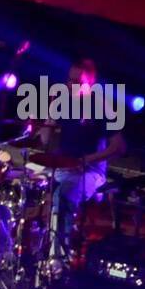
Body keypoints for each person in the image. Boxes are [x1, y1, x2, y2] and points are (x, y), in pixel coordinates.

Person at [38, 58, 127, 256]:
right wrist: (49, 115)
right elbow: (44, 140)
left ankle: (60, 258)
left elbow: (118, 147)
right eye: (69, 80)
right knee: (23, 184)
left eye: (78, 82)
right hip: (62, 167)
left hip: (90, 172)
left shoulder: (102, 106)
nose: (71, 85)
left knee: (63, 196)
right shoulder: (62, 102)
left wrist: (86, 160)